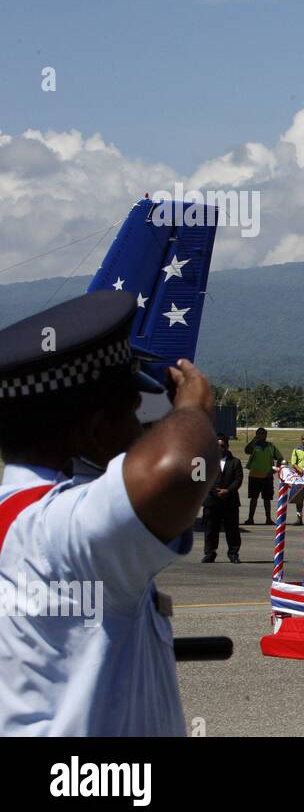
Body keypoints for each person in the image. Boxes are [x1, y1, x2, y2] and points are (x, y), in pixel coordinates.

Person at [0, 291, 217, 735]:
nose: (141, 430)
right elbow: (176, 470)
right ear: (95, 432)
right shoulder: (60, 532)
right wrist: (193, 411)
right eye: (131, 416)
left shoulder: (18, 518)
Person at [202, 433, 244, 563]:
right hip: (212, 501)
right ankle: (210, 553)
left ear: (227, 446)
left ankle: (233, 553)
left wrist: (228, 490)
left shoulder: (235, 462)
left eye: (223, 446)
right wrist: (215, 491)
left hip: (229, 501)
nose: (220, 448)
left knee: (232, 529)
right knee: (210, 529)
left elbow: (238, 479)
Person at [243, 427, 282, 524]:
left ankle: (268, 519)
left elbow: (280, 458)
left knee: (267, 499)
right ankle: (250, 518)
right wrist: (253, 440)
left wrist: (275, 469)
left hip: (267, 476)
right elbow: (247, 450)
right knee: (253, 498)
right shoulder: (254, 446)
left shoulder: (270, 446)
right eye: (258, 434)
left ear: (266, 435)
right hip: (254, 476)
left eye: (262, 434)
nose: (261, 435)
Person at [289, 432, 304, 523]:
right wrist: (301, 471)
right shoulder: (296, 450)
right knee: (299, 498)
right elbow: (293, 463)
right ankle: (299, 517)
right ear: (301, 440)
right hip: (300, 476)